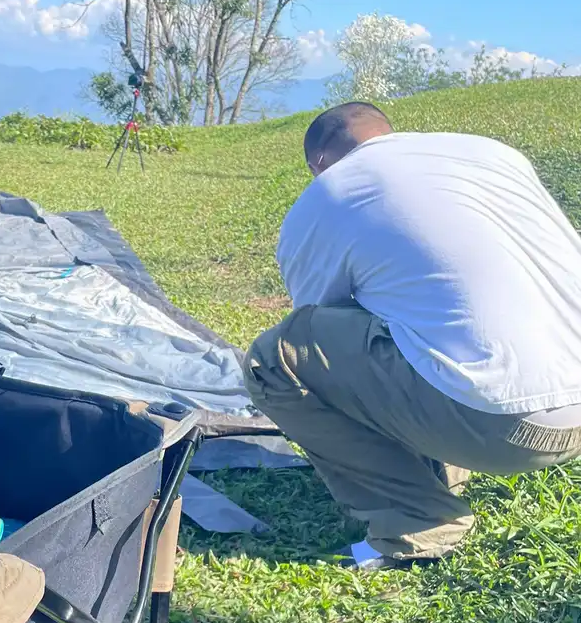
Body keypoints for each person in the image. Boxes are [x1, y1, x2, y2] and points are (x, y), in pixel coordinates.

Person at [243, 102, 581, 569]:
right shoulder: (492, 154)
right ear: (386, 133)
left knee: (275, 356)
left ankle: (417, 518)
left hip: (498, 423)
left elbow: (319, 326)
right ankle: (439, 470)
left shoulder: (329, 192)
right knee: (423, 316)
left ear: (318, 162)